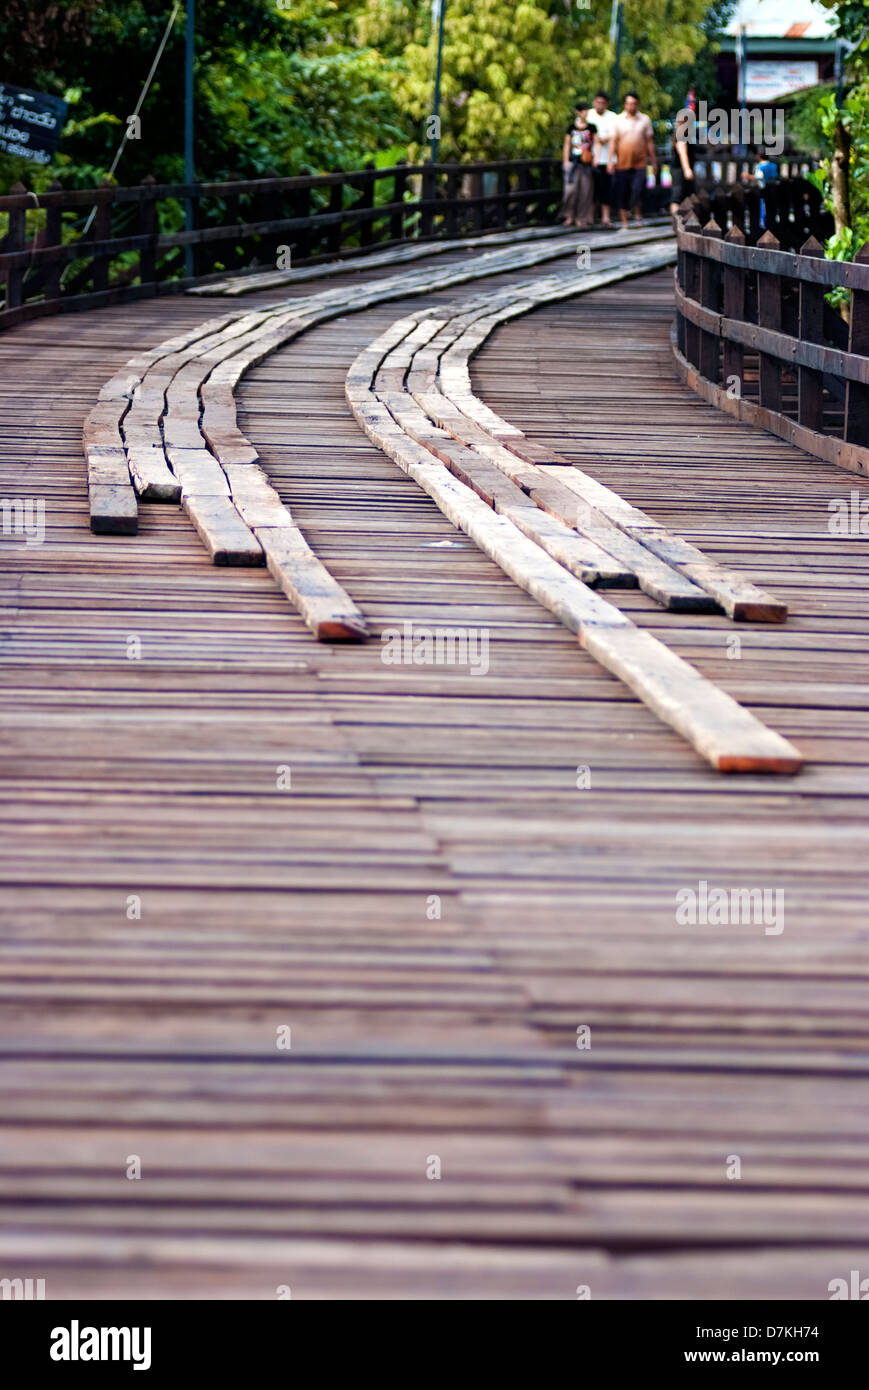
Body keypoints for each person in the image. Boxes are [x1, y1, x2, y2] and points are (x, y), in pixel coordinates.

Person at [608, 92, 657, 229]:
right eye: (628, 103)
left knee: (638, 189)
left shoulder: (645, 120)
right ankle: (624, 222)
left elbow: (649, 142)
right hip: (622, 163)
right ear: (625, 104)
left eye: (634, 103)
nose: (631, 106)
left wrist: (653, 161)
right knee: (622, 191)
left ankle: (637, 215)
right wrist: (611, 161)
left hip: (640, 162)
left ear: (637, 104)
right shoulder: (618, 120)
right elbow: (613, 142)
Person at [561, 100, 597, 228]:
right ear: (577, 112)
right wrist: (566, 161)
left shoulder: (592, 127)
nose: (585, 113)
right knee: (571, 190)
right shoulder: (571, 128)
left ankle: (582, 218)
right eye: (583, 110)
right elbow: (566, 145)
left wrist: (595, 159)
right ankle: (569, 215)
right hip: (573, 162)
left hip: (587, 163)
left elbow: (596, 143)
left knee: (585, 191)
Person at [591, 90, 616, 227]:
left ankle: (605, 217)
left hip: (607, 159)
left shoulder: (612, 117)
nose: (599, 105)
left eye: (602, 103)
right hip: (591, 159)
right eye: (597, 102)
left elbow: (614, 137)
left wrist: (600, 138)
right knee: (592, 189)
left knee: (606, 189)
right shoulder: (588, 115)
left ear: (606, 104)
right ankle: (590, 216)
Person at [670, 105, 696, 219]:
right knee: (677, 195)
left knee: (685, 194)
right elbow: (682, 153)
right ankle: (677, 220)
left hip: (679, 168)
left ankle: (682, 219)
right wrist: (687, 169)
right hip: (680, 169)